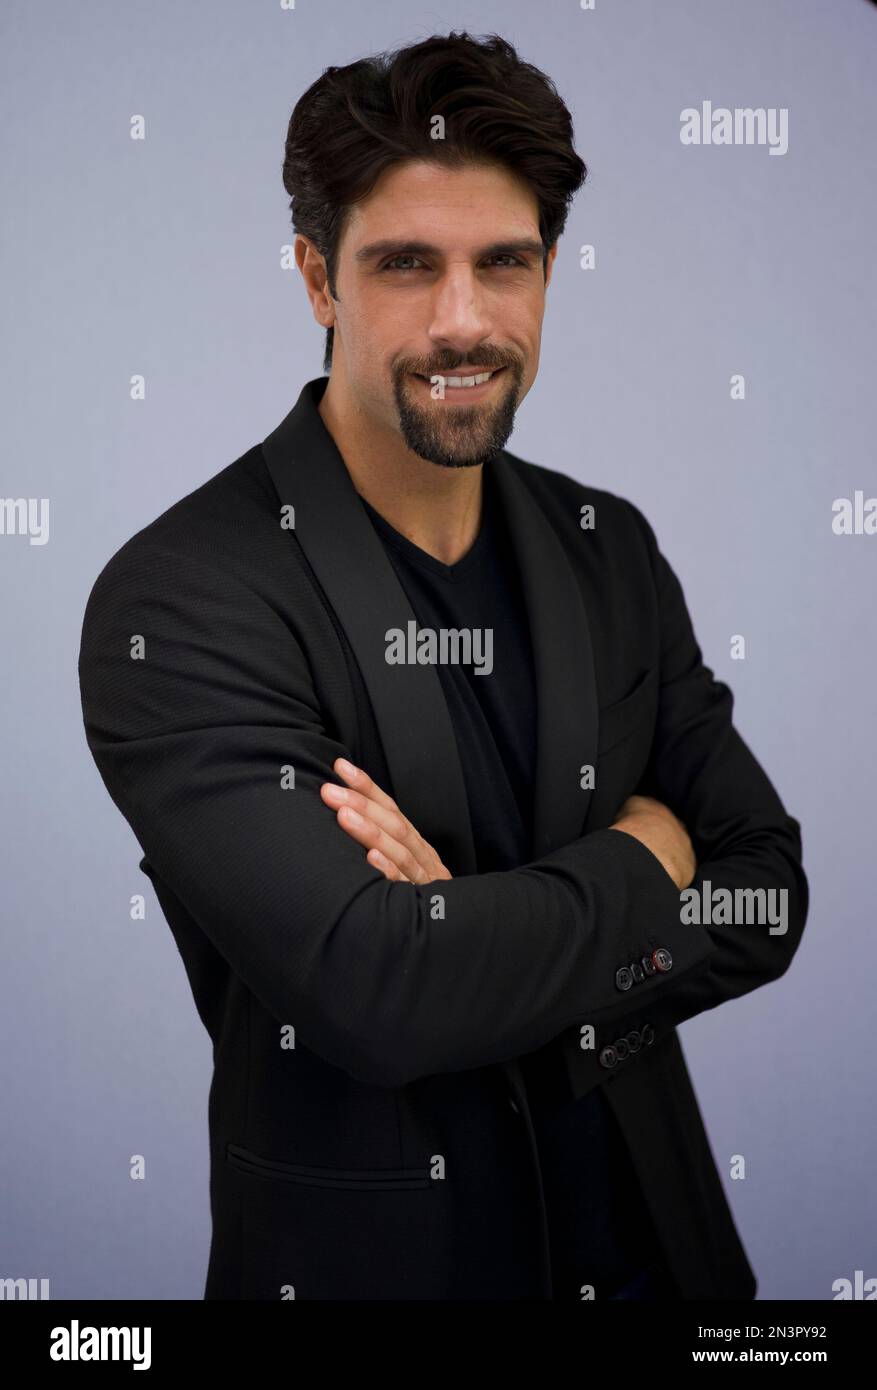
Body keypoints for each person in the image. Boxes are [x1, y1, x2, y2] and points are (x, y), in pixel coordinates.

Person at [77, 31, 808, 1301]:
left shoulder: (607, 546)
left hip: (665, 1269)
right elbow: (381, 993)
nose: (461, 319)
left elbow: (766, 892)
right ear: (317, 277)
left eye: (502, 263)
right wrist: (645, 856)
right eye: (405, 265)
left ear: (548, 273)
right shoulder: (183, 598)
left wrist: (470, 933)